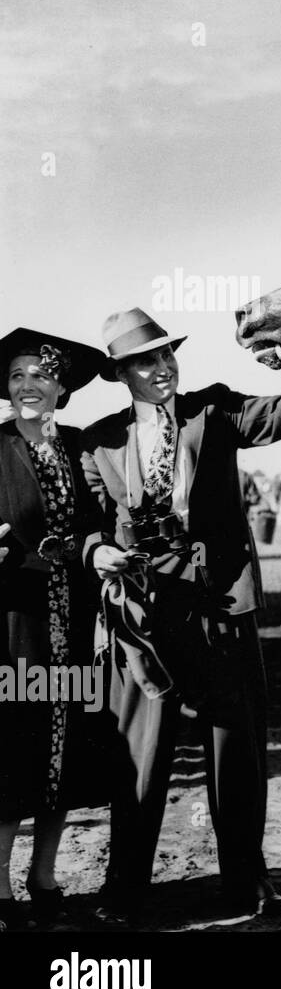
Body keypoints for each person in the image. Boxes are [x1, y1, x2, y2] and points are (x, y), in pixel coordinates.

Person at [81, 307, 281, 921]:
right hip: (142, 619)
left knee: (234, 750)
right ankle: (126, 891)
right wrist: (99, 550)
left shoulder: (213, 410)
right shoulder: (100, 440)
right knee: (139, 756)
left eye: (167, 355)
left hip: (219, 605)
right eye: (146, 360)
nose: (161, 368)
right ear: (122, 373)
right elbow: (88, 526)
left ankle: (247, 885)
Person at [0, 328, 115, 931]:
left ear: (61, 388)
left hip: (73, 614)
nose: (28, 386)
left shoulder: (80, 447)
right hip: (10, 618)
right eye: (17, 376)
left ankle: (43, 876)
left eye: (40, 376)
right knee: (11, 740)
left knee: (61, 745)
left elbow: (101, 516)